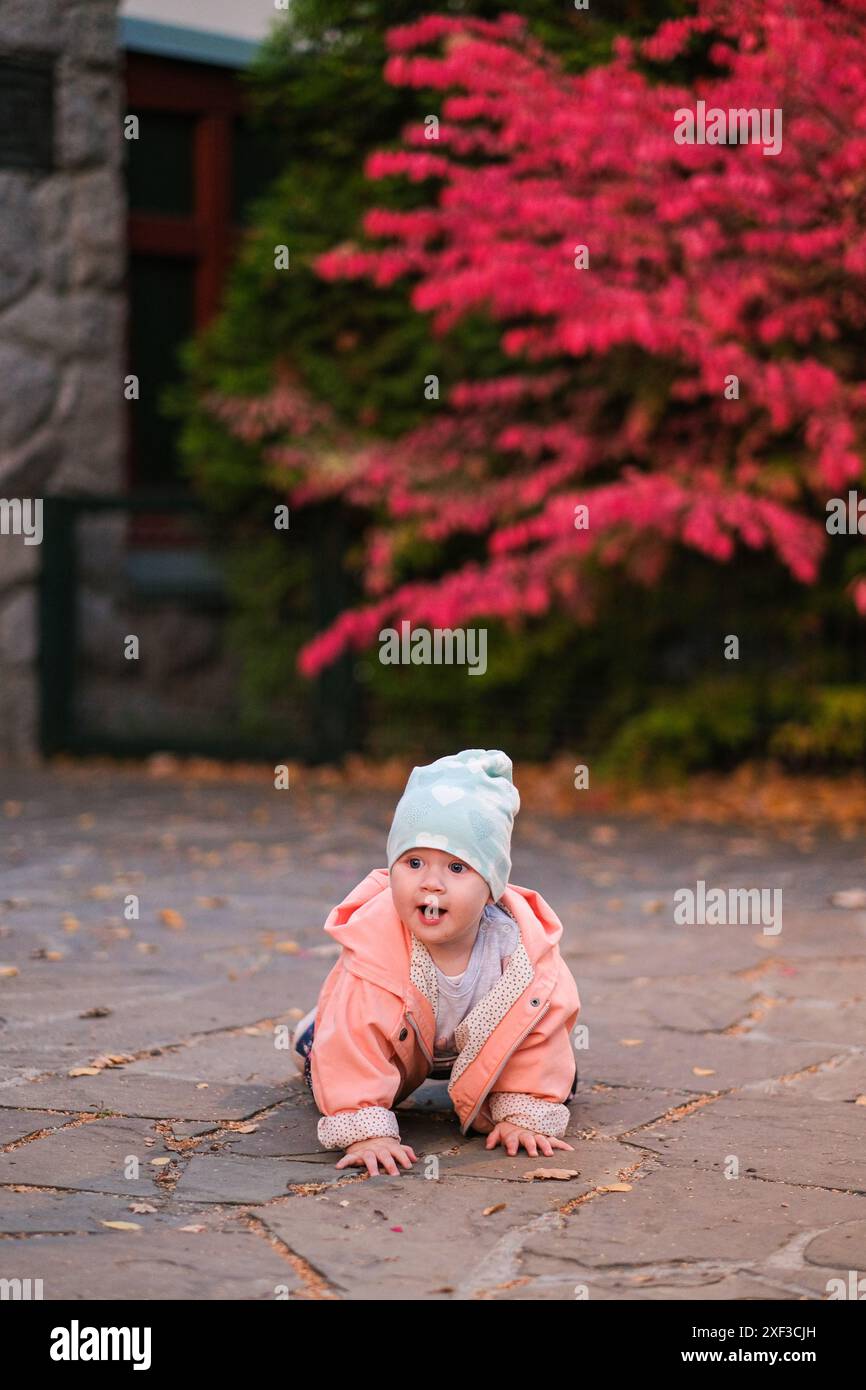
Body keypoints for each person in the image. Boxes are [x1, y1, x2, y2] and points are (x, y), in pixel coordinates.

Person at [292, 748, 581, 1177]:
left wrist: (524, 1112)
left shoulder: (520, 954)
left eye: (457, 867)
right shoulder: (375, 954)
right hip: (399, 1042)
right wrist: (365, 1127)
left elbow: (539, 1026)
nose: (431, 882)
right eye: (413, 862)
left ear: (491, 888)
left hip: (480, 1045)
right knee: (331, 1049)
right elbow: (353, 1046)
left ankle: (518, 1093)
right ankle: (313, 1029)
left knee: (552, 1071)